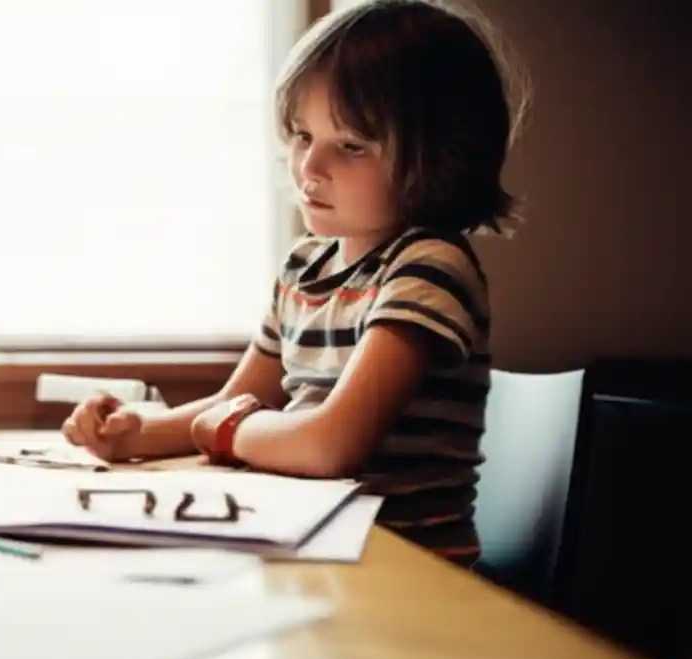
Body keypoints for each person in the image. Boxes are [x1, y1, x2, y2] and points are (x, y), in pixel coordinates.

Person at [61, 0, 528, 566]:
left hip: (405, 564)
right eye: (304, 136)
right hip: (319, 546)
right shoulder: (303, 268)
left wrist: (230, 430)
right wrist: (137, 434)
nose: (310, 166)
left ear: (440, 158)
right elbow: (237, 401)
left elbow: (331, 445)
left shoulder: (428, 266)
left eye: (351, 146)